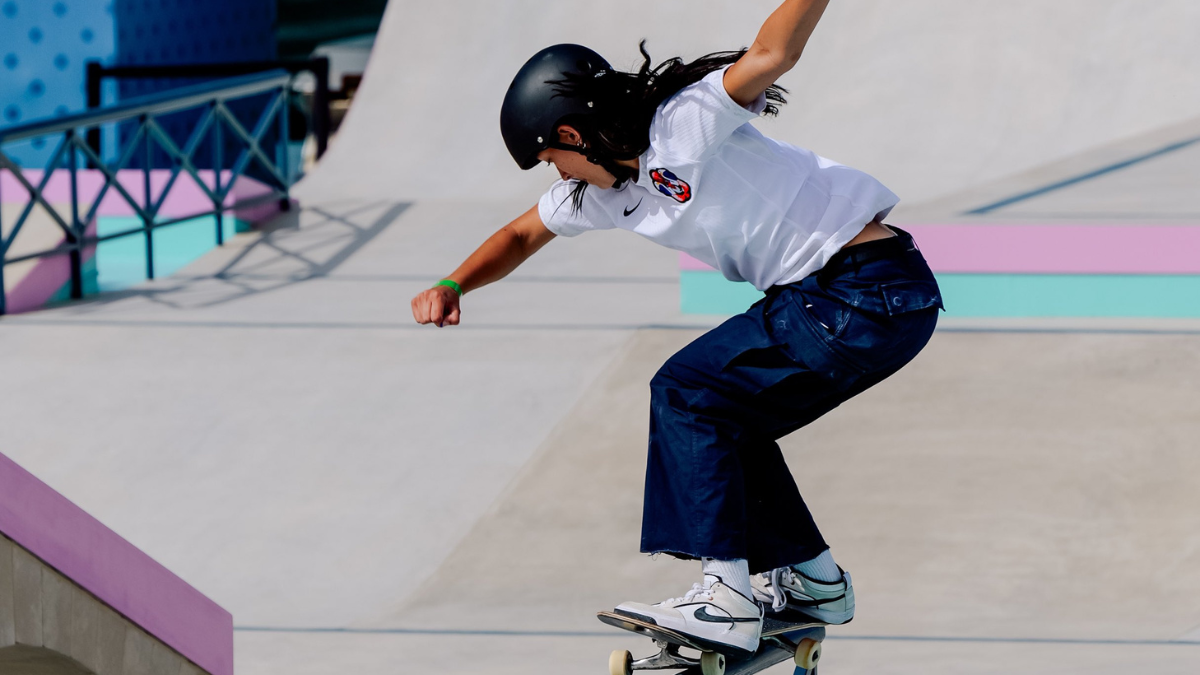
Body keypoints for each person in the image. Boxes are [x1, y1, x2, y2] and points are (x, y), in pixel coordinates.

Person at [410, 0, 942, 654]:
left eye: (551, 158)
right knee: (723, 419)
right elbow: (521, 233)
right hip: (867, 303)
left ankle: (725, 596)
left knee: (686, 391)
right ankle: (815, 579)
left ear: (573, 135)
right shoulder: (601, 194)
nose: (555, 174)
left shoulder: (681, 123)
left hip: (858, 288)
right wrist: (454, 282)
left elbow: (771, 56)